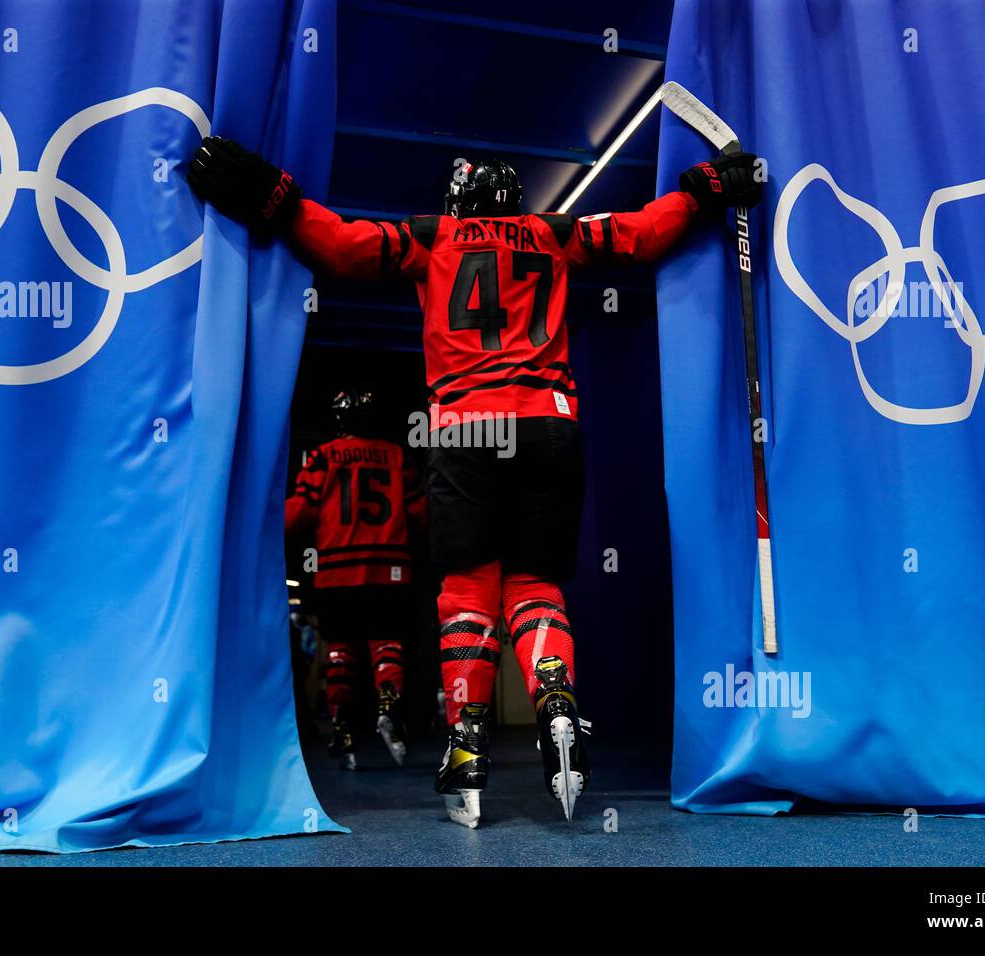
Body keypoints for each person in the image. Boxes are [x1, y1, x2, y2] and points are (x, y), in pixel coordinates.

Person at [189, 139, 761, 825]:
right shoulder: (554, 233)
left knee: (467, 592)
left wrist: (274, 197)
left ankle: (466, 744)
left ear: (458, 201)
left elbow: (340, 247)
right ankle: (556, 702)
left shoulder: (431, 237)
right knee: (536, 586)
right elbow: (640, 234)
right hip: (551, 421)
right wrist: (701, 190)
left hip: (465, 426)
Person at [284, 390, 426, 770]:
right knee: (387, 644)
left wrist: (258, 525)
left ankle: (342, 727)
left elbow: (299, 512)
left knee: (340, 651)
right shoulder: (397, 455)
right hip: (390, 570)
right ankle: (388, 705)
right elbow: (420, 513)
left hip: (337, 572)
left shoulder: (322, 456)